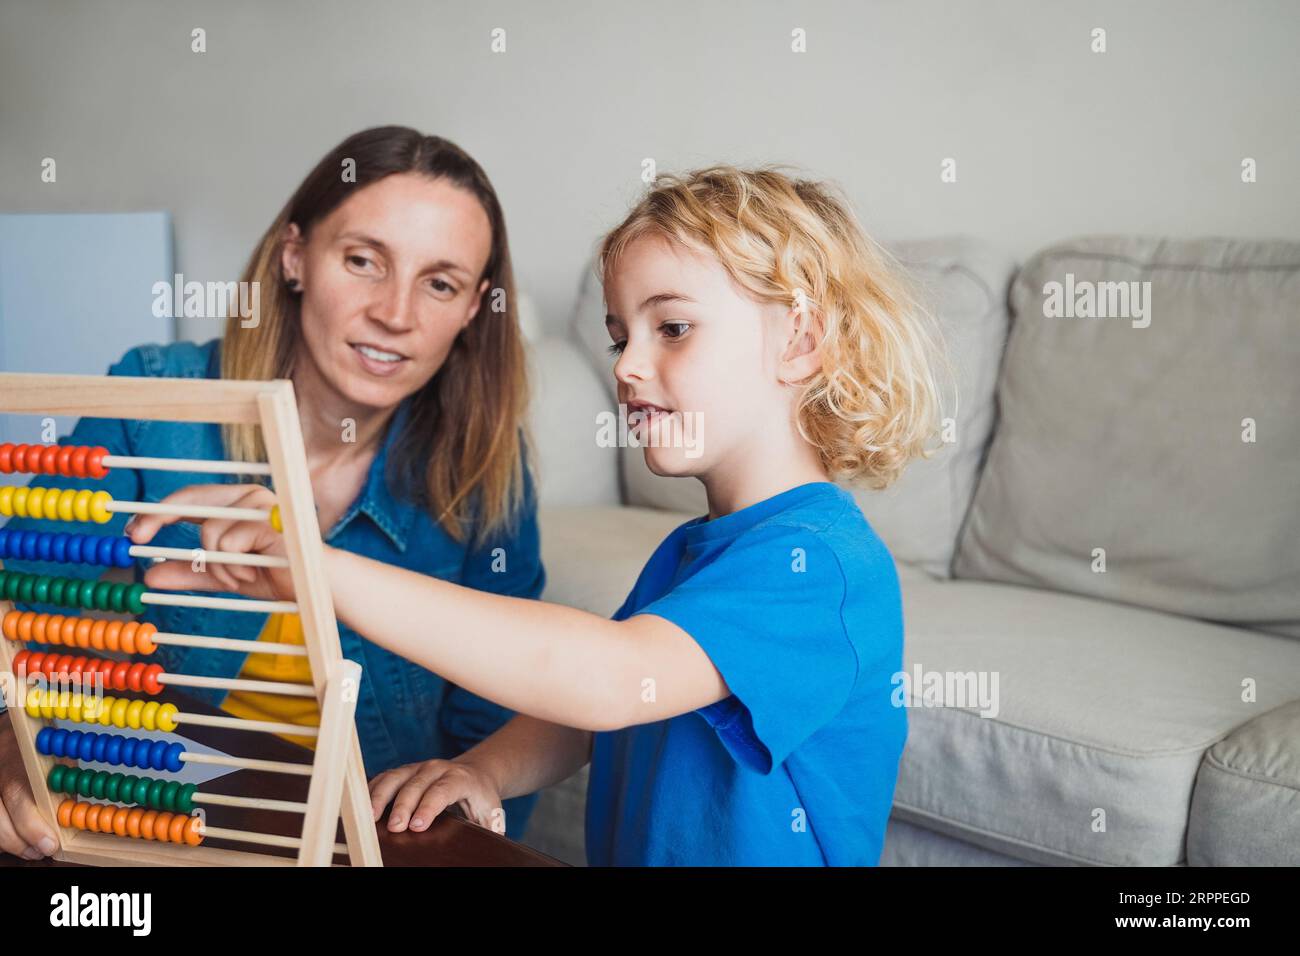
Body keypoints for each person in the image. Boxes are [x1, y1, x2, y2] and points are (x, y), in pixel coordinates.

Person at [130, 165, 952, 865]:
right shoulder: (697, 549)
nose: (628, 366)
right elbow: (590, 721)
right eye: (618, 334)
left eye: (671, 327)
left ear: (800, 341)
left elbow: (603, 679)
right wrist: (486, 770)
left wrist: (318, 566)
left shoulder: (820, 567)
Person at [0, 126, 544, 861]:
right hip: (172, 818)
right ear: (295, 257)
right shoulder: (154, 403)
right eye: (363, 261)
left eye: (439, 283)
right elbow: (20, 605)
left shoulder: (486, 470)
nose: (396, 313)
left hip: (370, 835)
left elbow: (502, 713)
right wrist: (8, 737)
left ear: (474, 308)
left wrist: (478, 780)